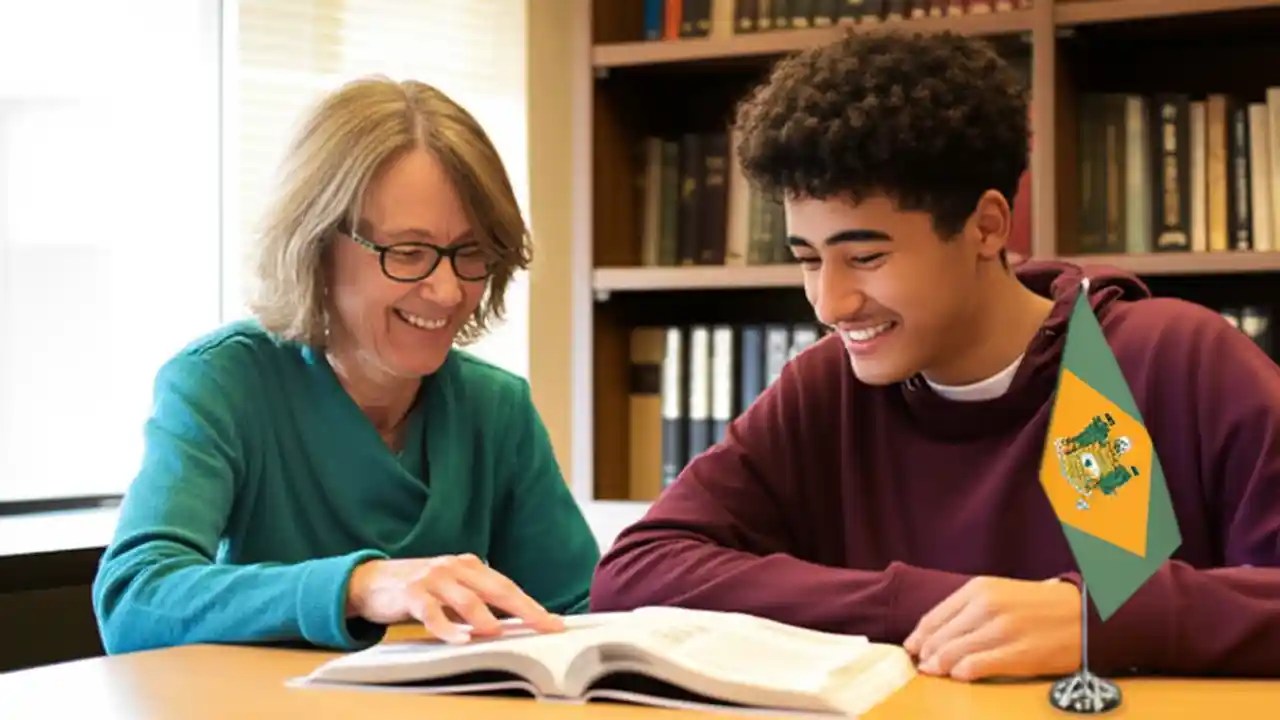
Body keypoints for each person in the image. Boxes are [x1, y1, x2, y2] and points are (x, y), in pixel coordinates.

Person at [589, 31, 1280, 681]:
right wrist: (924, 604)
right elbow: (637, 571)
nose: (830, 304)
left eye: (866, 257)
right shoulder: (825, 387)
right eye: (808, 260)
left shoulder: (1172, 359)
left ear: (986, 227)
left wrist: (1097, 618)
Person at [93, 76, 600, 654]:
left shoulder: (497, 407)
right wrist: (360, 586)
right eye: (408, 252)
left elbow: (581, 611)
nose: (447, 290)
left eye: (470, 253)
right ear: (315, 246)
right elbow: (134, 601)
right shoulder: (222, 383)